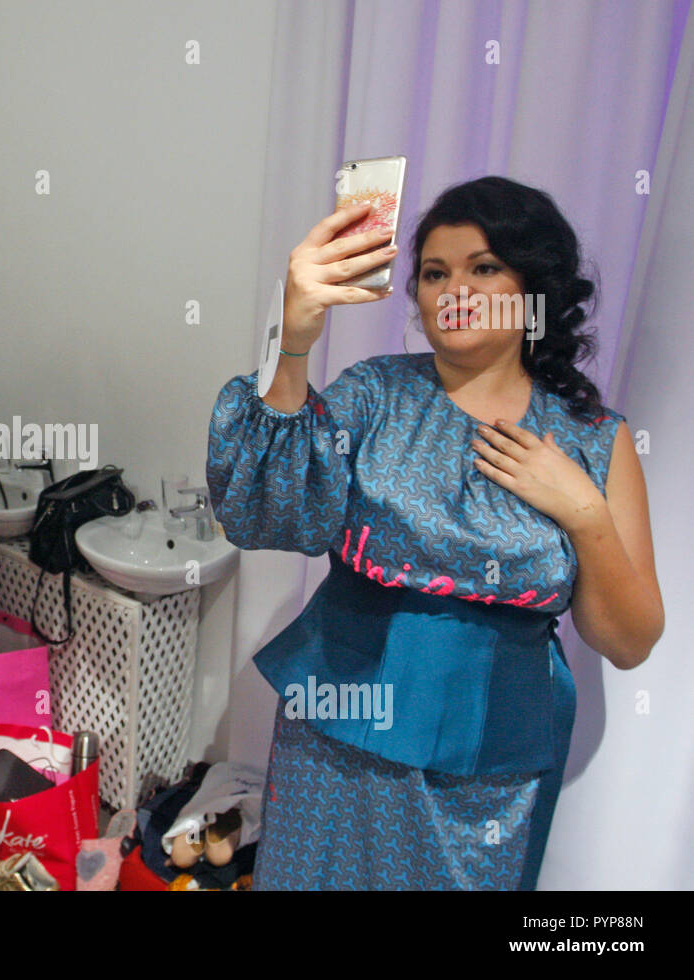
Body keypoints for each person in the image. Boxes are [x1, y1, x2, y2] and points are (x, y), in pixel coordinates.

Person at [207, 176, 663, 890]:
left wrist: (583, 513)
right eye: (434, 272)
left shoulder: (594, 441)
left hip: (492, 761)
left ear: (534, 289)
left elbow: (629, 642)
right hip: (337, 726)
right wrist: (292, 337)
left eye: (485, 268)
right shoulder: (374, 393)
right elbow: (268, 514)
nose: (456, 288)